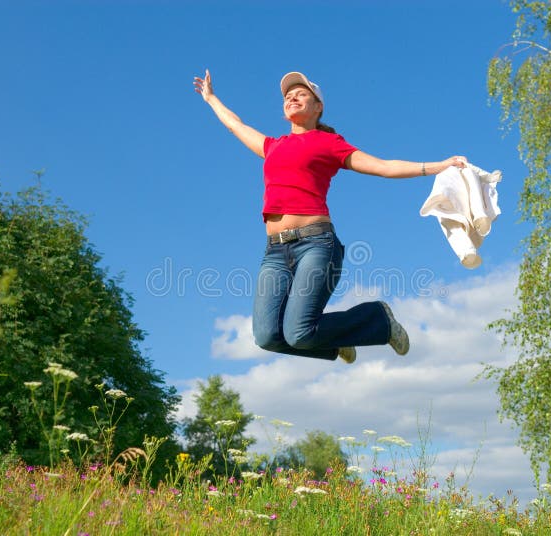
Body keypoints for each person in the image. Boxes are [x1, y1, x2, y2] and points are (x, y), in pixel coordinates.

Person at [194, 69, 467, 364]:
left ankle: (378, 319)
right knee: (266, 336)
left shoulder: (329, 143)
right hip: (274, 252)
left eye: (301, 94)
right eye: (288, 96)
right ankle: (336, 341)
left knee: (298, 333)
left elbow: (384, 166)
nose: (292, 98)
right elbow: (235, 125)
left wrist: (439, 166)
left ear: (318, 107)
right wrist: (211, 98)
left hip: (315, 244)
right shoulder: (272, 146)